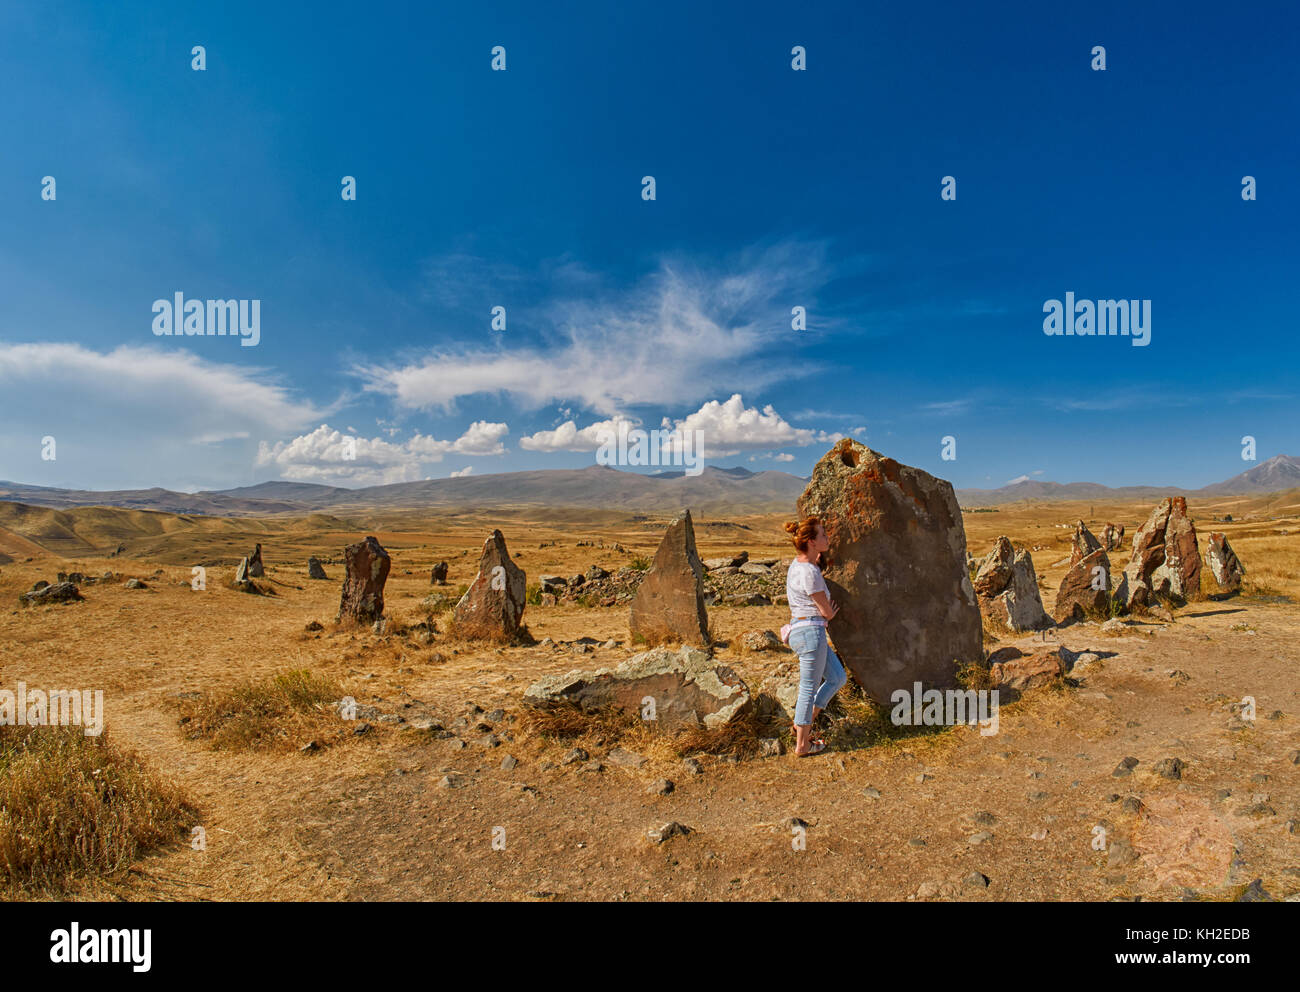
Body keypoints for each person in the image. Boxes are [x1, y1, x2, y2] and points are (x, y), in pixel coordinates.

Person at [783, 517, 847, 757]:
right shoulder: (810, 572)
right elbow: (826, 611)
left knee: (837, 678)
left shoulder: (797, 565)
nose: (827, 539)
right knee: (808, 689)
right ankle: (802, 745)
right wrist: (831, 612)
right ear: (811, 542)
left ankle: (804, 721)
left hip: (803, 630)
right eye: (822, 535)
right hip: (811, 633)